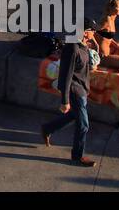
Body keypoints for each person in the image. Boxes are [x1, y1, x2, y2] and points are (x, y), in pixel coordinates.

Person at [41, 20, 100, 167]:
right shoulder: (72, 48)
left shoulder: (83, 46)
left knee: (74, 115)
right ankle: (77, 156)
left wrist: (94, 44)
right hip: (75, 90)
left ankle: (48, 128)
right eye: (93, 30)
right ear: (86, 31)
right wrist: (64, 100)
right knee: (84, 125)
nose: (95, 33)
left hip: (82, 88)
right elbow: (65, 75)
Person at [95, 0, 119, 68]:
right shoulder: (106, 21)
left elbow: (107, 37)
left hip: (109, 51)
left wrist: (117, 46)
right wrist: (96, 47)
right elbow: (91, 32)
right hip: (103, 57)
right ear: (110, 8)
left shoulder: (111, 19)